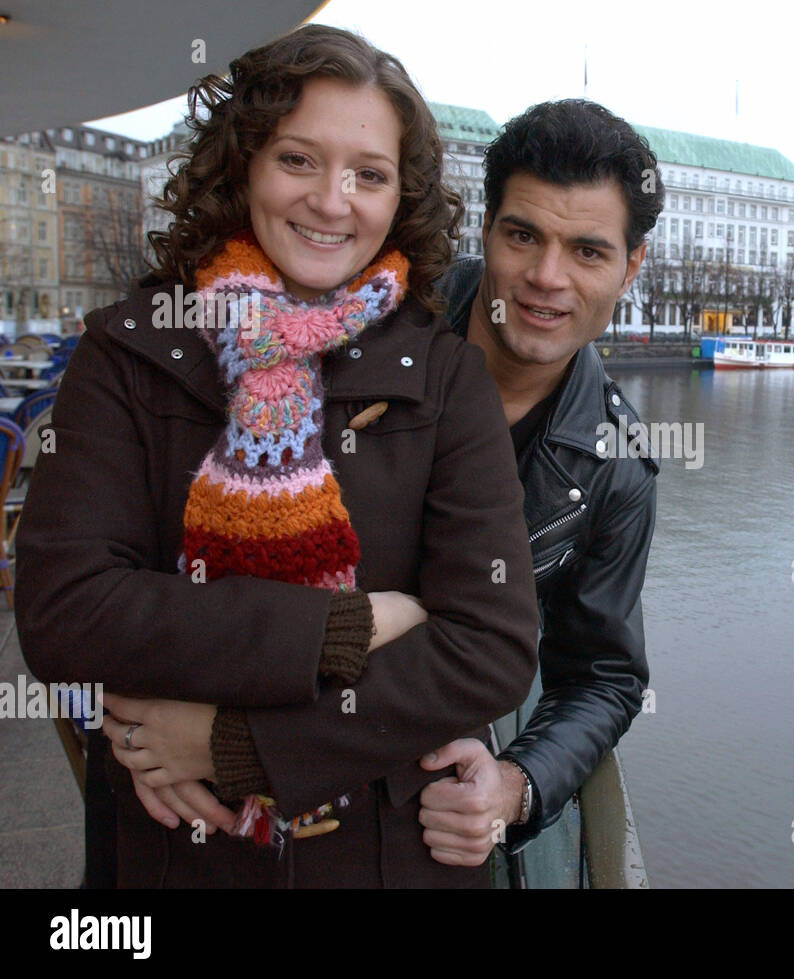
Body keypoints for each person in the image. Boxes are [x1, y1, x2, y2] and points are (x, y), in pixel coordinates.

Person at [14, 24, 537, 888]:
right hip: (179, 862)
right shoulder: (131, 351)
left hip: (389, 858)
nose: (334, 201)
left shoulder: (445, 376)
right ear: (245, 165)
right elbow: (64, 609)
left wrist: (235, 744)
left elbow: (491, 643)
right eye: (299, 159)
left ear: (398, 197)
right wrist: (347, 627)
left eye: (369, 174)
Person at [413, 100, 662, 879]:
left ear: (631, 266)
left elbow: (604, 675)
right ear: (486, 229)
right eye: (523, 235)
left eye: (587, 250)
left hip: (437, 783)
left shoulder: (615, 465)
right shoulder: (381, 326)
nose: (546, 278)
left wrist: (516, 784)